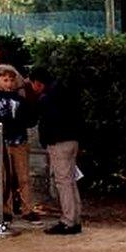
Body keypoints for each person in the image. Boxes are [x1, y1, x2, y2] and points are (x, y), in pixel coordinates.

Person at [30, 65, 83, 235]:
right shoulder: (64, 92)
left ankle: (68, 220)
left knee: (63, 181)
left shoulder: (47, 98)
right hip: (72, 139)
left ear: (38, 83)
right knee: (70, 180)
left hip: (59, 142)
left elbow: (45, 120)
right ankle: (75, 218)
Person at [0, 63, 40, 223]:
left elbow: (30, 119)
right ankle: (5, 209)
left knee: (23, 176)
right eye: (5, 80)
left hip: (19, 140)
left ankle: (27, 208)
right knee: (4, 177)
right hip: (1, 142)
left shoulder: (20, 99)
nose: (9, 83)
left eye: (11, 80)